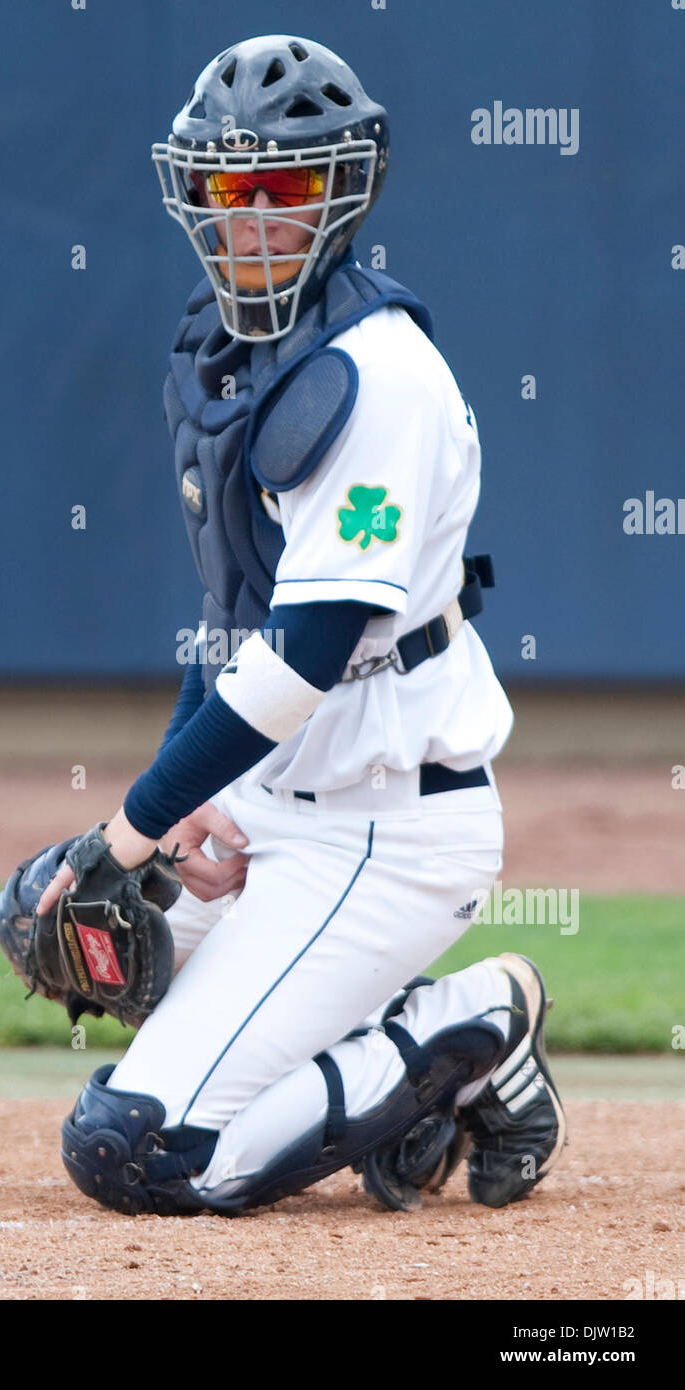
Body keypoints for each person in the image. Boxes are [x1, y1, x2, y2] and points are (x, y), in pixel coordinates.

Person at [35, 34, 566, 1215]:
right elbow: (235, 616)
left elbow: (309, 652)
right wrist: (184, 808)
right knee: (73, 932)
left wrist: (123, 834)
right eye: (230, 188)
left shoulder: (376, 375)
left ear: (340, 195)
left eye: (282, 186)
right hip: (284, 809)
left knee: (138, 1149)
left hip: (388, 828)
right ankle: (391, 1058)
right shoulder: (238, 354)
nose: (252, 215)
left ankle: (464, 1020)